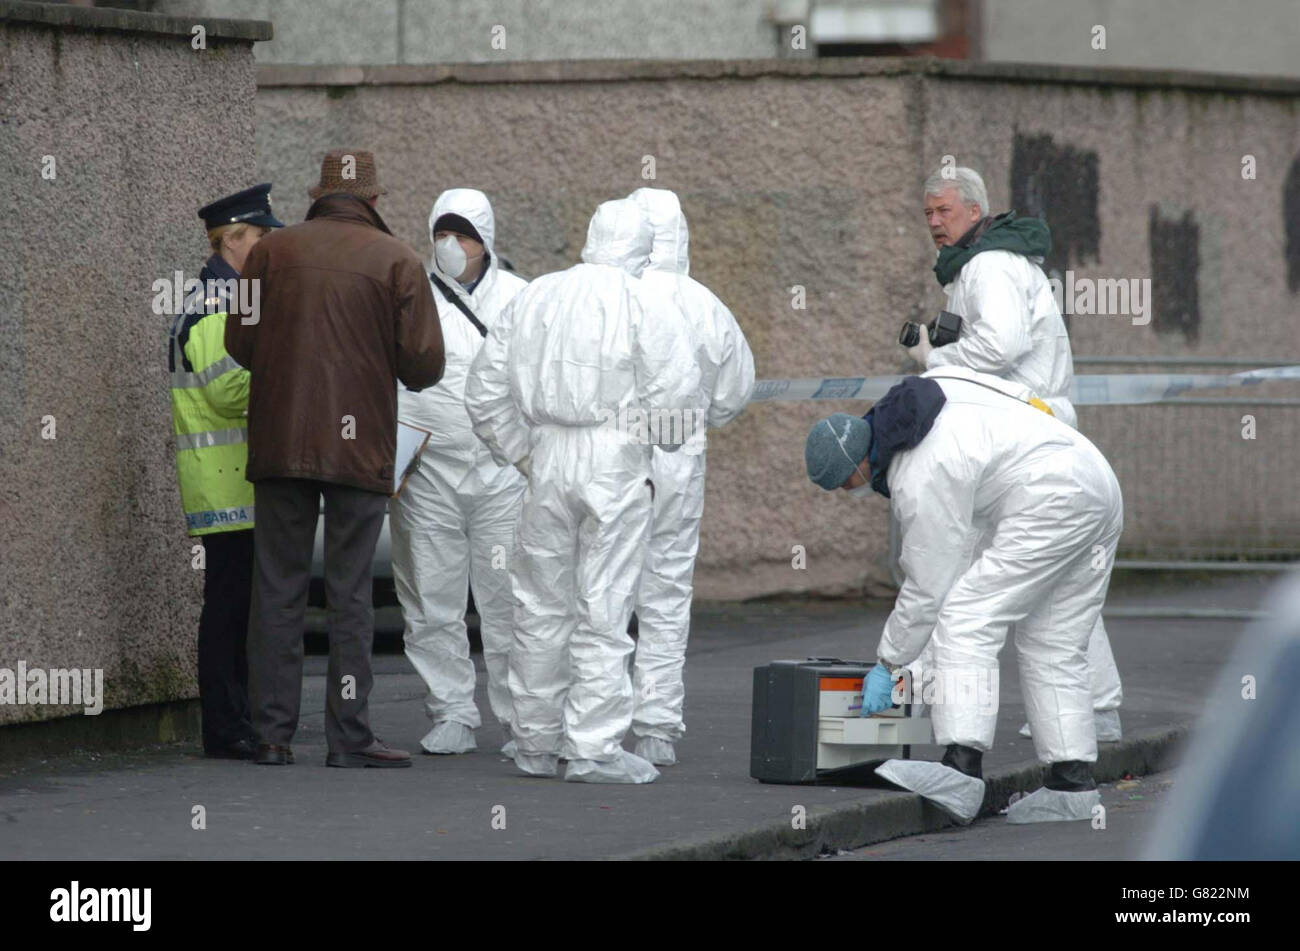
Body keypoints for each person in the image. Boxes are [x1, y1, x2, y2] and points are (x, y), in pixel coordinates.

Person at [804, 367, 1123, 823]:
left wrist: (888, 662)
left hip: (1050, 495)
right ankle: (1071, 784)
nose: (854, 493)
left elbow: (928, 587)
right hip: (1095, 478)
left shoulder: (918, 473)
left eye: (846, 485)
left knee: (966, 618)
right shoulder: (933, 397)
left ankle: (961, 769)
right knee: (1053, 639)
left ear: (857, 465)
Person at [464, 199, 701, 784]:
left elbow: (484, 392)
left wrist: (523, 453)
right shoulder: (645, 300)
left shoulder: (537, 295)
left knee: (540, 604)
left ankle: (535, 742)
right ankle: (592, 747)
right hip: (613, 459)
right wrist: (639, 443)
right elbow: (678, 402)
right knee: (605, 605)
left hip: (546, 456)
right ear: (644, 249)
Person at [226, 149, 445, 768]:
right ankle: (348, 737)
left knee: (277, 590)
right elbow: (425, 366)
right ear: (373, 200)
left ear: (316, 195)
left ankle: (271, 734)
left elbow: (240, 344)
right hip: (360, 446)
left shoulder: (270, 253)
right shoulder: (397, 260)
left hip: (281, 442)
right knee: (350, 594)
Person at [912, 165, 1123, 742]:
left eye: (944, 211)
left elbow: (1000, 346)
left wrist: (936, 358)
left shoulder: (987, 266)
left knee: (966, 580)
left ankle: (927, 708)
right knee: (1053, 580)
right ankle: (1097, 708)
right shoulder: (988, 264)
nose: (933, 221)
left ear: (975, 212)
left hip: (1020, 437)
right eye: (928, 212)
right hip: (1037, 429)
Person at [390, 188, 528, 756]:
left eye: (463, 234)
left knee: (509, 601)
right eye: (441, 234)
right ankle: (451, 711)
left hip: (502, 476)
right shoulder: (408, 296)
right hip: (428, 474)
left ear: (486, 240)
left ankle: (523, 714)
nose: (451, 245)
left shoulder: (522, 298)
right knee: (431, 597)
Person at [623, 187, 755, 767]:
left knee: (601, 590)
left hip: (615, 453)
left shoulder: (612, 295)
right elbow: (735, 391)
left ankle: (590, 722)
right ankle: (655, 727)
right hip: (681, 456)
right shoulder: (704, 304)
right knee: (667, 591)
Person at [169, 184, 282, 760]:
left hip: (235, 478)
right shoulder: (216, 303)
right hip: (226, 483)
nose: (268, 245)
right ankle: (227, 728)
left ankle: (237, 722)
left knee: (239, 608)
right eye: (261, 236)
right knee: (229, 608)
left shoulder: (232, 295)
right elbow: (228, 390)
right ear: (233, 239)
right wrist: (290, 374)